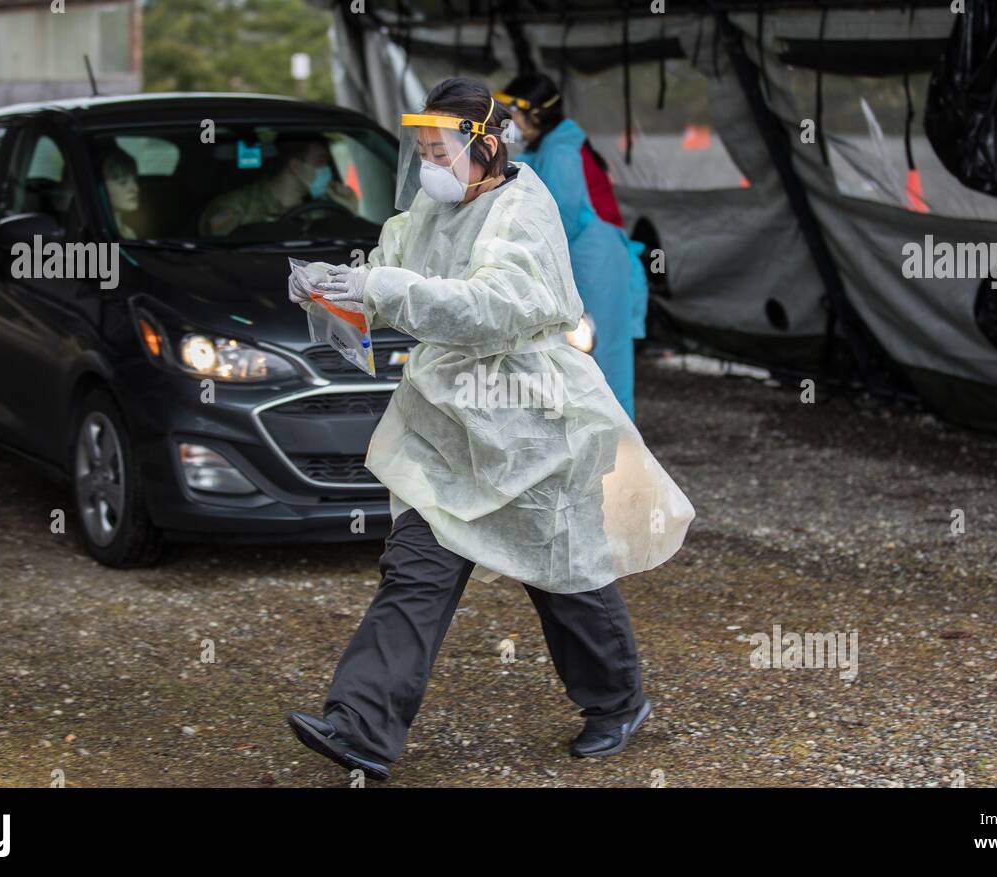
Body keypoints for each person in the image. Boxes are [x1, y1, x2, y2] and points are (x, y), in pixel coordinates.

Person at [284, 77, 694, 783]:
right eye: (422, 151)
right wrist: (341, 286)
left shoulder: (522, 209)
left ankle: (617, 700)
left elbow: (494, 306)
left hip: (527, 427)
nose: (427, 166)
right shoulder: (433, 204)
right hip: (449, 425)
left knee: (564, 573)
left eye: (438, 151)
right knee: (414, 570)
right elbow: (399, 272)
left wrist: (385, 290)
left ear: (487, 145)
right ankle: (361, 727)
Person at [495, 73, 649, 420]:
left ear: (534, 114)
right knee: (575, 359)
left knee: (602, 357)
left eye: (513, 114)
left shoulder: (561, 151)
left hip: (594, 260)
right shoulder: (549, 146)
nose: (508, 123)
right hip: (578, 256)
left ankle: (617, 449)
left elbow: (557, 217)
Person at [199, 138, 358, 236]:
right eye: (320, 162)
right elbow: (220, 258)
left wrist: (349, 211)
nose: (327, 170)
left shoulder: (320, 210)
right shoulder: (233, 208)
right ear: (295, 166)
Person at [100, 148, 141, 239]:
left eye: (134, 180)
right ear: (102, 188)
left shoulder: (128, 232)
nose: (135, 189)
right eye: (123, 182)